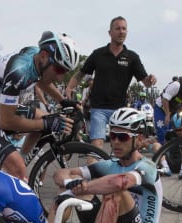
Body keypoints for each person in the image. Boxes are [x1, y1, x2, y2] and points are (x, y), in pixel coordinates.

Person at [0, 31, 79, 181]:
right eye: (59, 69)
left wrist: (62, 101)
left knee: (43, 119)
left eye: (66, 71)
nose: (60, 77)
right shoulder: (19, 72)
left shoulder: (37, 56)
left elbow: (41, 80)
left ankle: (15, 168)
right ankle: (10, 174)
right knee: (18, 166)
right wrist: (47, 123)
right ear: (43, 56)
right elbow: (6, 122)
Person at [50, 107, 161, 223]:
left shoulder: (148, 167)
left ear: (139, 139)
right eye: (113, 135)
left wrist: (84, 187)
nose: (115, 142)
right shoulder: (110, 165)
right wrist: (71, 183)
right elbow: (61, 173)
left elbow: (120, 182)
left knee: (115, 191)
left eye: (122, 137)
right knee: (72, 183)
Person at [65, 16, 157, 152]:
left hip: (120, 110)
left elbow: (146, 82)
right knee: (97, 147)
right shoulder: (98, 54)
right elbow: (81, 73)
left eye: (124, 29)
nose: (121, 32)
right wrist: (69, 88)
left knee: (124, 148)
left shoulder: (132, 57)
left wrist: (151, 80)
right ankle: (95, 172)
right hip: (98, 109)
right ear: (110, 33)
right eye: (118, 28)